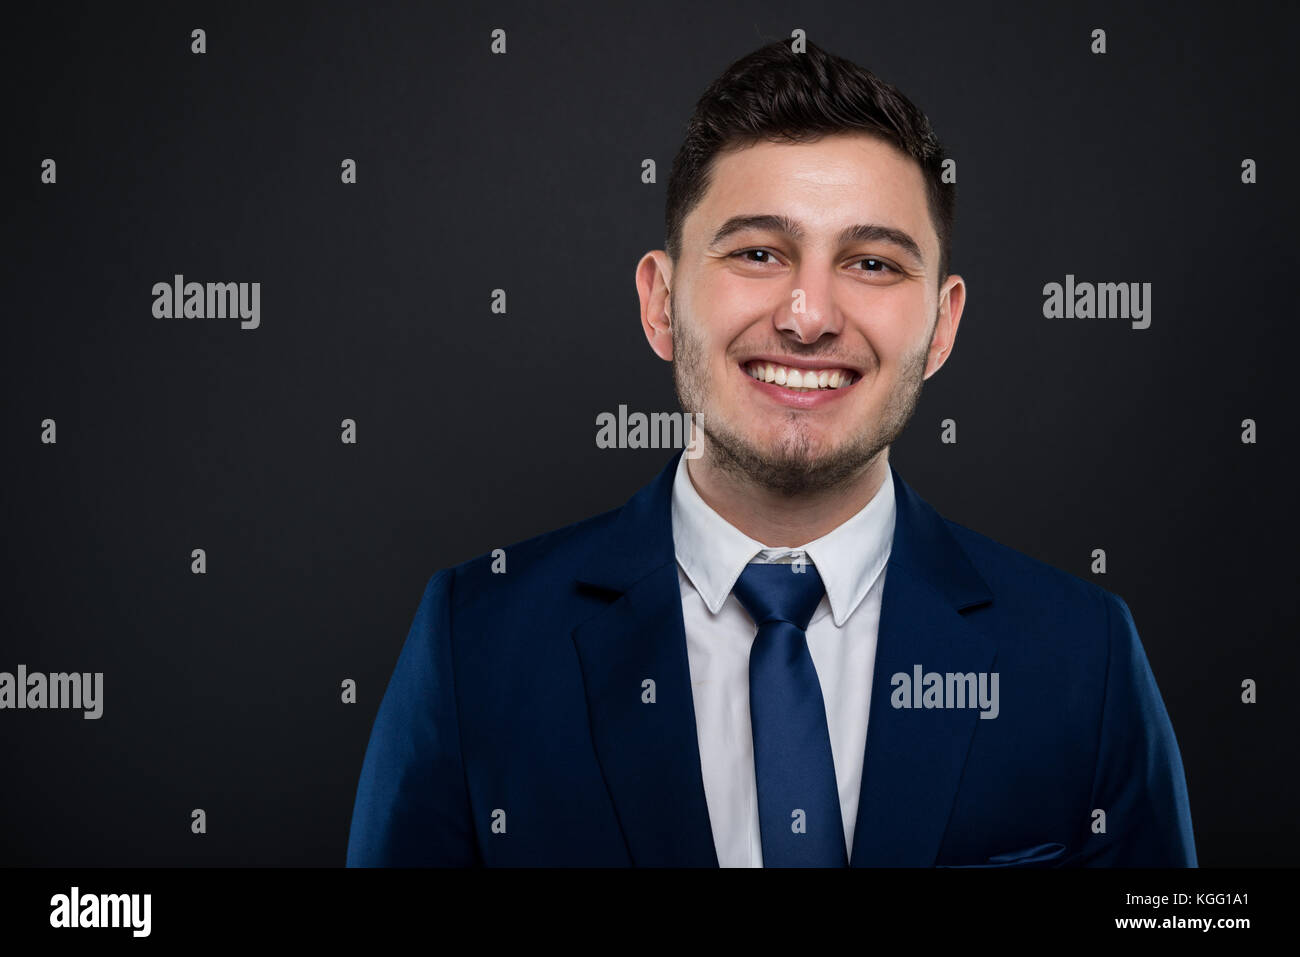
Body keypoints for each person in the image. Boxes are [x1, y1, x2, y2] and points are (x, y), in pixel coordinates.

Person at [346, 38, 1196, 867]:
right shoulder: (476, 643)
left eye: (871, 261)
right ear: (661, 301)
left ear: (942, 325)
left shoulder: (1085, 660)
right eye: (758, 252)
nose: (808, 314)